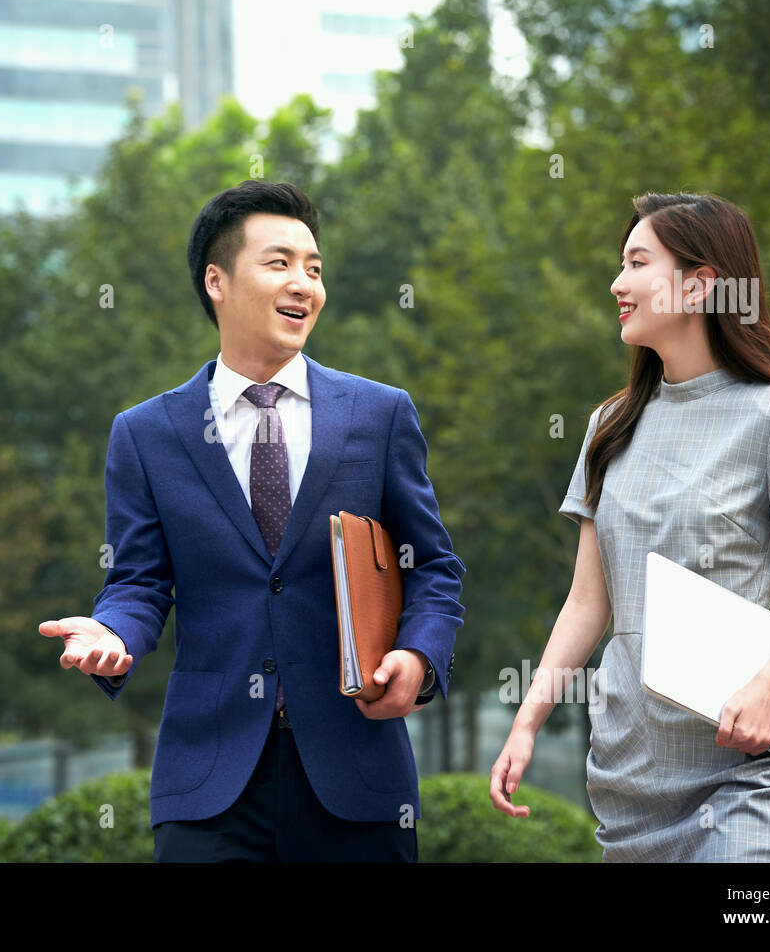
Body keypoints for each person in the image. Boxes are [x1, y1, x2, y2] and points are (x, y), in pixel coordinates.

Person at [40, 180, 465, 862]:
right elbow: (140, 583)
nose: (304, 283)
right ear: (218, 280)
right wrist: (112, 630)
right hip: (208, 786)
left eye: (314, 268)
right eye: (279, 262)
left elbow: (435, 568)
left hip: (356, 777)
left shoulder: (379, 415)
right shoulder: (148, 434)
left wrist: (418, 655)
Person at [489, 192, 770, 862]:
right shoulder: (610, 426)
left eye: (636, 262)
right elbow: (587, 602)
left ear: (699, 283)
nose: (616, 283)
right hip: (628, 777)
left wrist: (768, 688)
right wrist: (526, 723)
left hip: (741, 768)